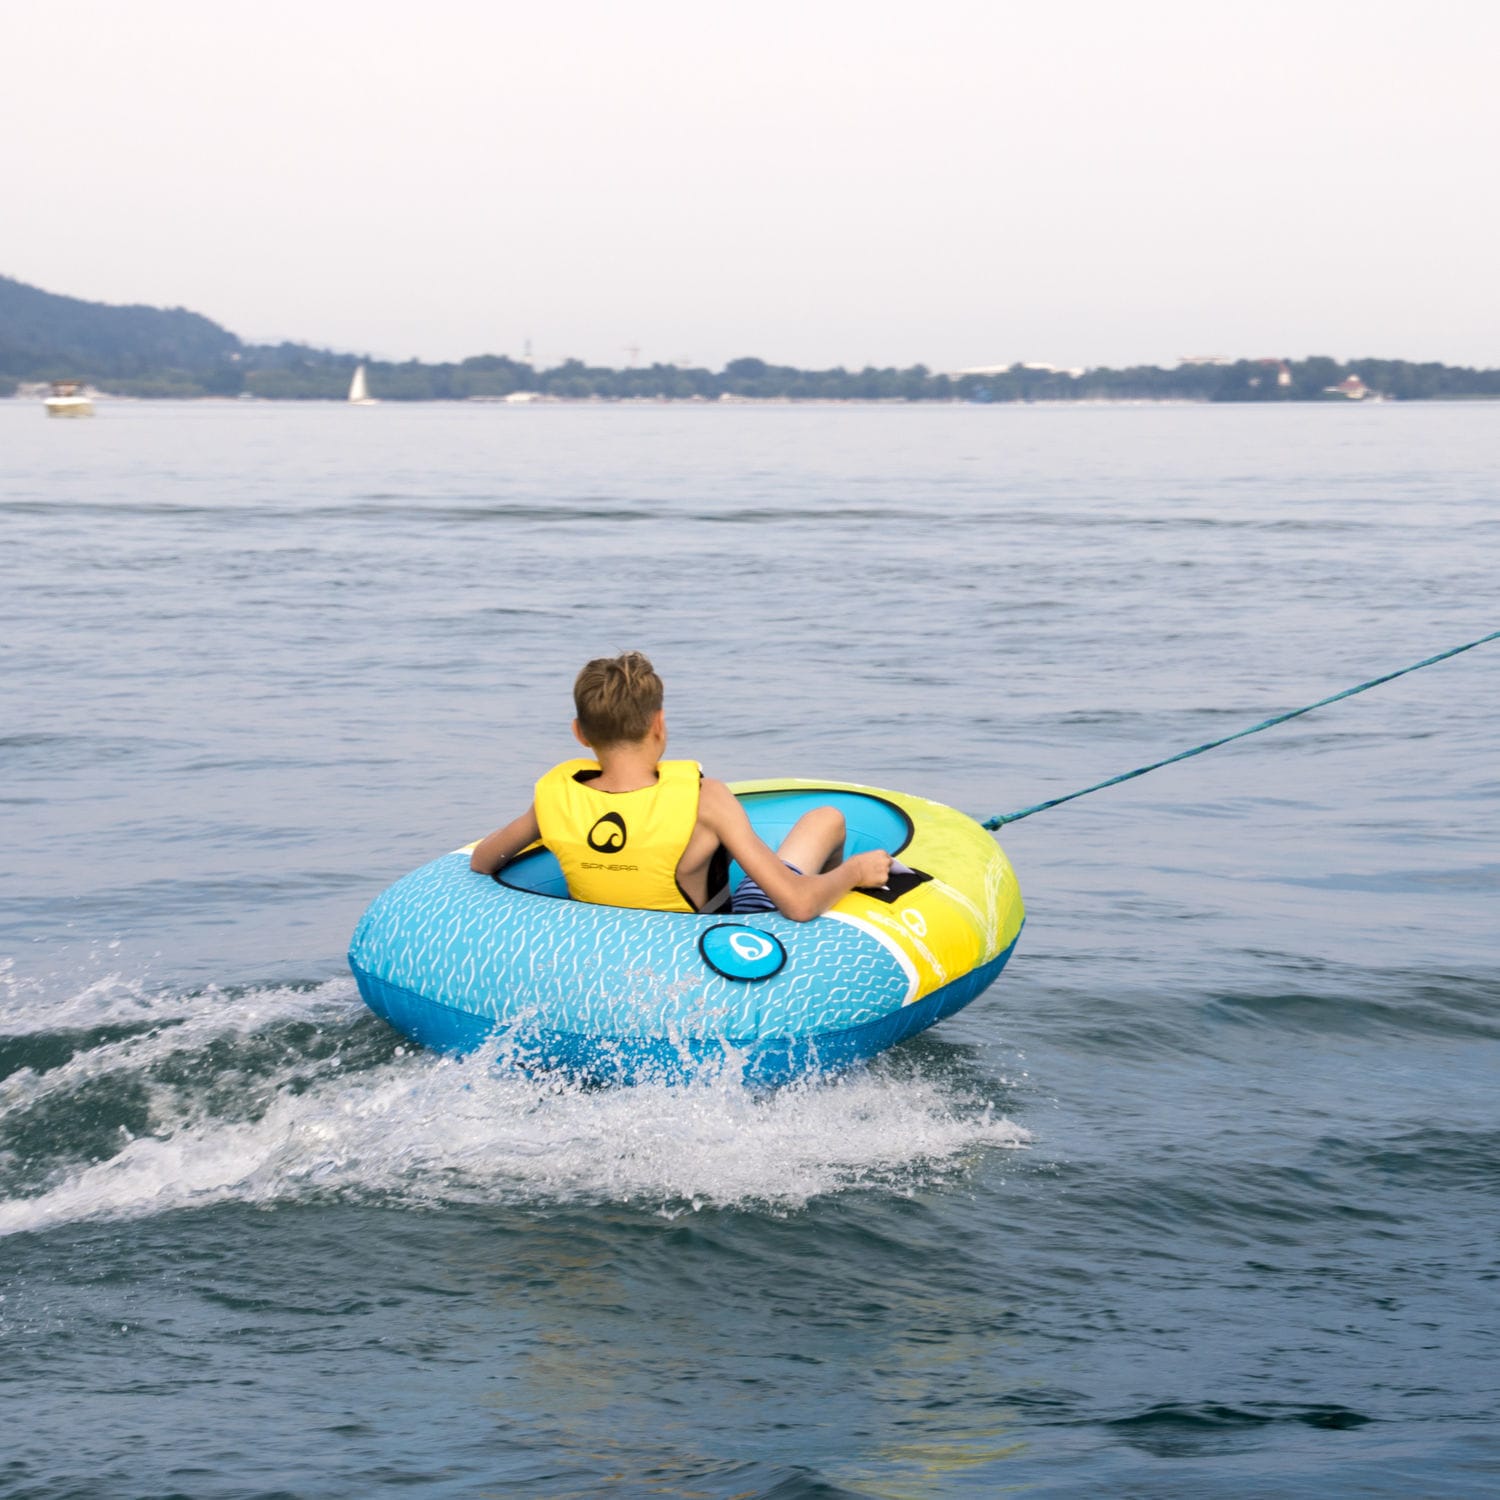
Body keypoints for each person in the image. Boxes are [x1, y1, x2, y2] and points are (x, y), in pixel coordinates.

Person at [469, 652, 892, 920]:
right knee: (827, 818)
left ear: (580, 733)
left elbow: (483, 861)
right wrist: (855, 872)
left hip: (603, 943)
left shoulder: (556, 799)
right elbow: (796, 905)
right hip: (699, 947)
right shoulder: (705, 799)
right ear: (658, 723)